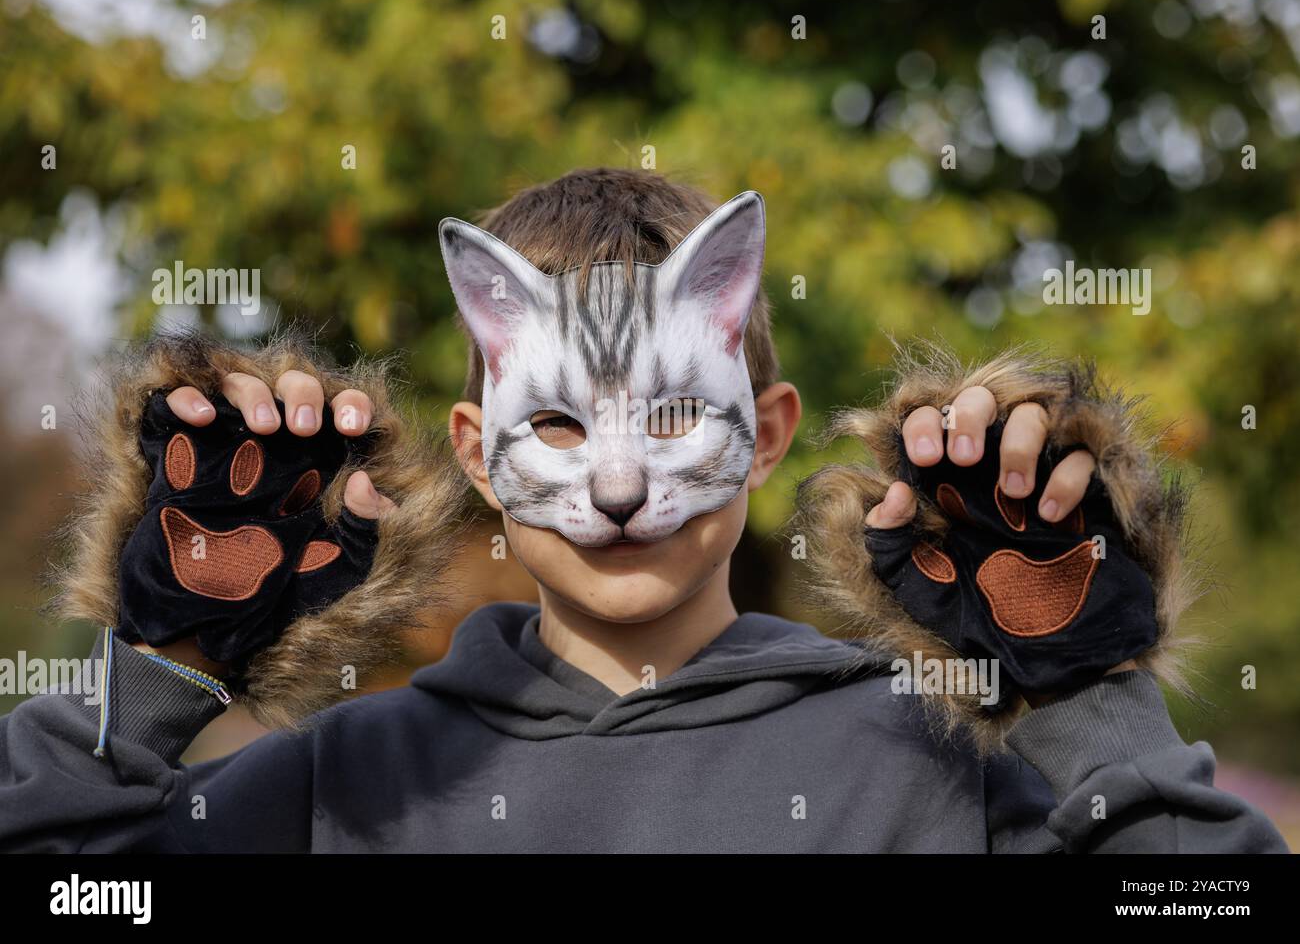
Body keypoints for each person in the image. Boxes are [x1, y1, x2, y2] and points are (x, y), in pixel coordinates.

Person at [0, 168, 1287, 852]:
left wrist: (1086, 703)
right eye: (556, 423)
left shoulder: (944, 777)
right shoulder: (341, 788)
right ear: (480, 456)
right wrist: (165, 672)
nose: (618, 486)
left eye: (674, 417)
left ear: (769, 432)